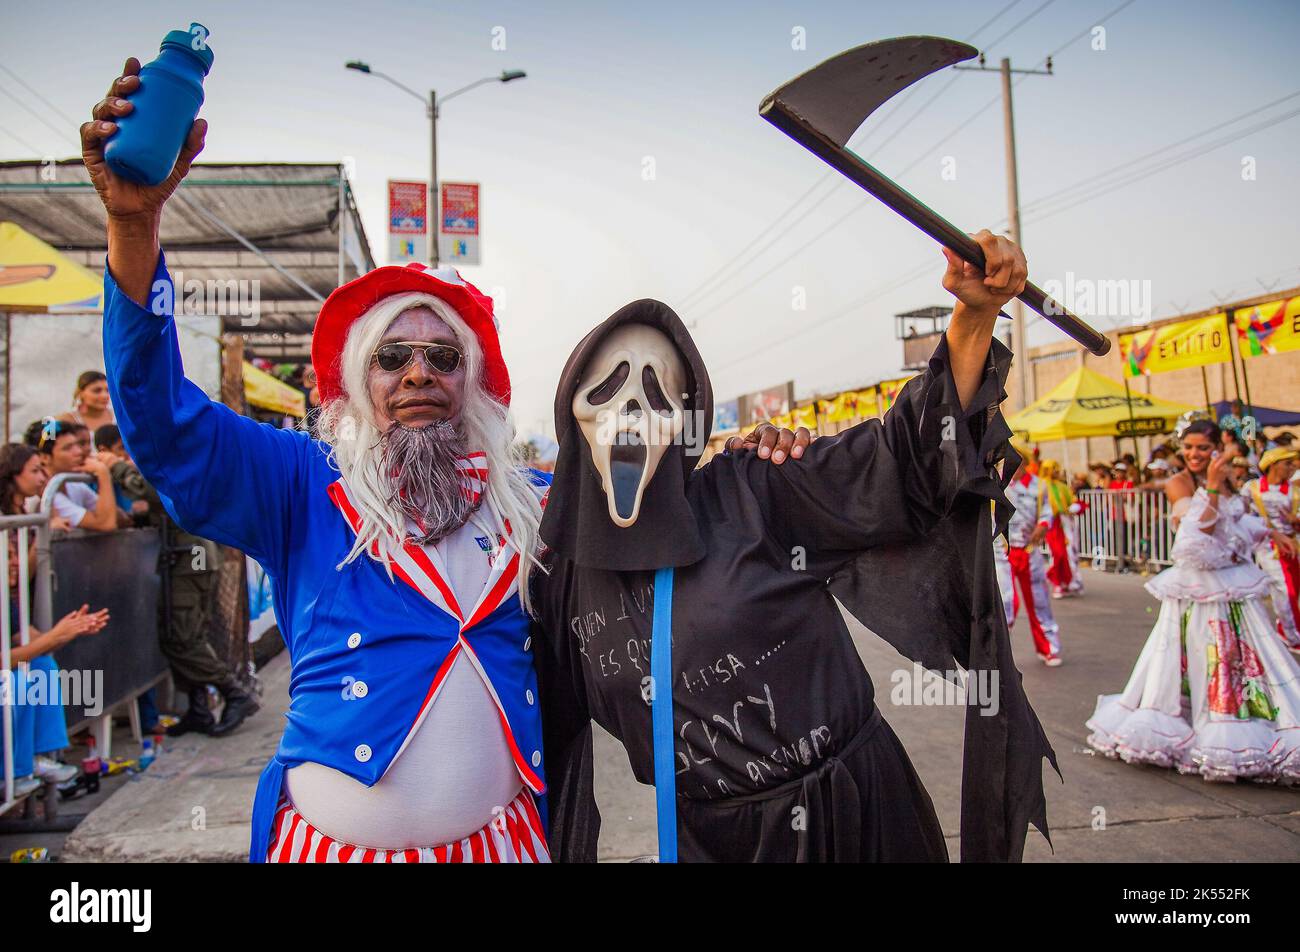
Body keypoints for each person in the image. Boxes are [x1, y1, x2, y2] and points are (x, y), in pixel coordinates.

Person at [81, 67, 799, 864]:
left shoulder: (532, 503)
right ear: (360, 384)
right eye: (392, 356)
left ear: (472, 385)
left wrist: (747, 462)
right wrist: (134, 228)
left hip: (507, 844)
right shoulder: (301, 487)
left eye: (442, 356)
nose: (418, 373)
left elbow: (659, 496)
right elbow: (165, 426)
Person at [536, 232, 1058, 862]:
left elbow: (902, 461)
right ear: (571, 412)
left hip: (857, 821)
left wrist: (973, 316)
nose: (631, 412)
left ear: (687, 417)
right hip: (714, 844)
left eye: (658, 394)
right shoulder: (552, 579)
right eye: (606, 390)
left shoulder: (756, 489)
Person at [1087, 420, 1300, 783]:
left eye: (1203, 447)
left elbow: (1237, 524)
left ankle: (1245, 719)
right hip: (1198, 594)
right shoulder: (1179, 483)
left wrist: (1272, 530)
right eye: (1188, 448)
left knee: (1241, 659)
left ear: (1217, 447)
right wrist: (1214, 487)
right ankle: (1204, 729)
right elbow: (1196, 535)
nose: (1194, 454)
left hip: (1232, 588)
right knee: (1200, 658)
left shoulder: (1229, 481)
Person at [96, 425, 255, 737]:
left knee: (182, 636)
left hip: (190, 556)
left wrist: (115, 467)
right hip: (187, 554)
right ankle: (199, 708)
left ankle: (235, 691)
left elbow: (150, 489)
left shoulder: (169, 454)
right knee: (181, 632)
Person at [0, 443, 111, 794]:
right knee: (15, 683)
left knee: (42, 665)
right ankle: (13, 772)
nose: (16, 564)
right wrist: (57, 635)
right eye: (34, 470)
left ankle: (35, 759)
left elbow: (21, 635)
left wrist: (70, 631)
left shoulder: (10, 595)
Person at [993, 453, 1064, 662]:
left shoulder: (1039, 485)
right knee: (1005, 601)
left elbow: (1047, 513)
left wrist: (1042, 526)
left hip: (1029, 549)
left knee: (1038, 599)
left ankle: (1048, 646)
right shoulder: (996, 483)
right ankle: (999, 653)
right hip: (1003, 550)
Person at [1240, 447, 1300, 649]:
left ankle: (1285, 627)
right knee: (1286, 589)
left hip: (1291, 544)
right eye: (1287, 463)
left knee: (1290, 589)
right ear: (1273, 464)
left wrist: (1296, 520)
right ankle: (1292, 635)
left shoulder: (1294, 490)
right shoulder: (1252, 488)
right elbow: (1240, 513)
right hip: (1266, 546)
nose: (1291, 467)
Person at [23, 418, 120, 532]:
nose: (79, 452)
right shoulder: (46, 495)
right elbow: (106, 524)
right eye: (67, 448)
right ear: (44, 457)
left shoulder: (74, 485)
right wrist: (103, 474)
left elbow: (121, 518)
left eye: (77, 445)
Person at [1038, 459, 1083, 599]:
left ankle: (1070, 581)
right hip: (1050, 524)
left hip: (1064, 522)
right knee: (1057, 554)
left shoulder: (1062, 486)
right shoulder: (1040, 486)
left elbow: (1072, 502)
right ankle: (1057, 581)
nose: (1055, 472)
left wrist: (1074, 507)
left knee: (1070, 553)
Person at [62, 370, 114, 434]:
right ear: (81, 393)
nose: (105, 396)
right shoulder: (66, 420)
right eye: (97, 391)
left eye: (107, 390)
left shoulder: (118, 416)